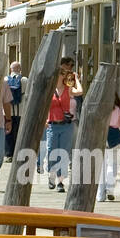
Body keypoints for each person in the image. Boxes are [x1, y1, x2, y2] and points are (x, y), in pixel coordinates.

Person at [43, 56, 83, 193]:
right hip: (52, 125)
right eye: (61, 74)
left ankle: (60, 182)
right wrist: (44, 120)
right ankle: (51, 176)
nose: (63, 76)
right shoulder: (49, 90)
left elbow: (81, 91)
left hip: (67, 125)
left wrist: (76, 79)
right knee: (51, 151)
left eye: (64, 74)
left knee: (64, 154)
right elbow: (44, 107)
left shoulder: (68, 89)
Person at [99, 94, 120, 203]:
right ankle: (110, 189)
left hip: (102, 133)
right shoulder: (119, 109)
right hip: (114, 135)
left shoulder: (99, 107)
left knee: (102, 166)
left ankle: (100, 195)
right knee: (113, 164)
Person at [4, 61, 27, 157]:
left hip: (7, 111)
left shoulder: (5, 79)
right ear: (20, 69)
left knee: (8, 133)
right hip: (21, 111)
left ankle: (8, 154)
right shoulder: (25, 79)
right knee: (19, 133)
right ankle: (18, 153)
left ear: (11, 69)